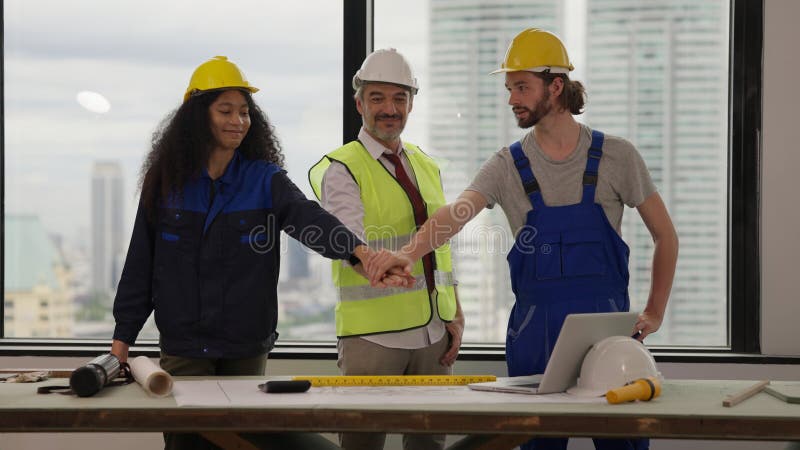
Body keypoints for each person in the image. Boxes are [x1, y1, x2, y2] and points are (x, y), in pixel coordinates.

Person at [365, 29, 679, 450]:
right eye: (509, 88)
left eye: (522, 87)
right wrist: (406, 253)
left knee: (622, 442)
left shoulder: (618, 157)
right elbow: (455, 215)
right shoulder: (507, 164)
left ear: (556, 86)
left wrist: (655, 312)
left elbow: (666, 235)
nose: (512, 98)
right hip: (535, 334)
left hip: (608, 335)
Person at [109, 55, 409, 450]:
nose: (238, 120)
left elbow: (310, 220)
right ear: (198, 115)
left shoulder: (263, 180)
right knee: (189, 444)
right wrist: (121, 341)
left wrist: (361, 254)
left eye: (245, 112)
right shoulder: (166, 182)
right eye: (226, 110)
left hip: (244, 346)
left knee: (244, 441)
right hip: (184, 346)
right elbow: (142, 263)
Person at [308, 48, 465, 450]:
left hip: (433, 335)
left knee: (429, 445)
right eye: (377, 98)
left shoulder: (426, 165)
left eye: (399, 98)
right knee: (363, 444)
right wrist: (378, 267)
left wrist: (454, 312)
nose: (389, 109)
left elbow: (440, 246)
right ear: (359, 103)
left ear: (412, 102)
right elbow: (349, 239)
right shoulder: (343, 168)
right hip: (373, 340)